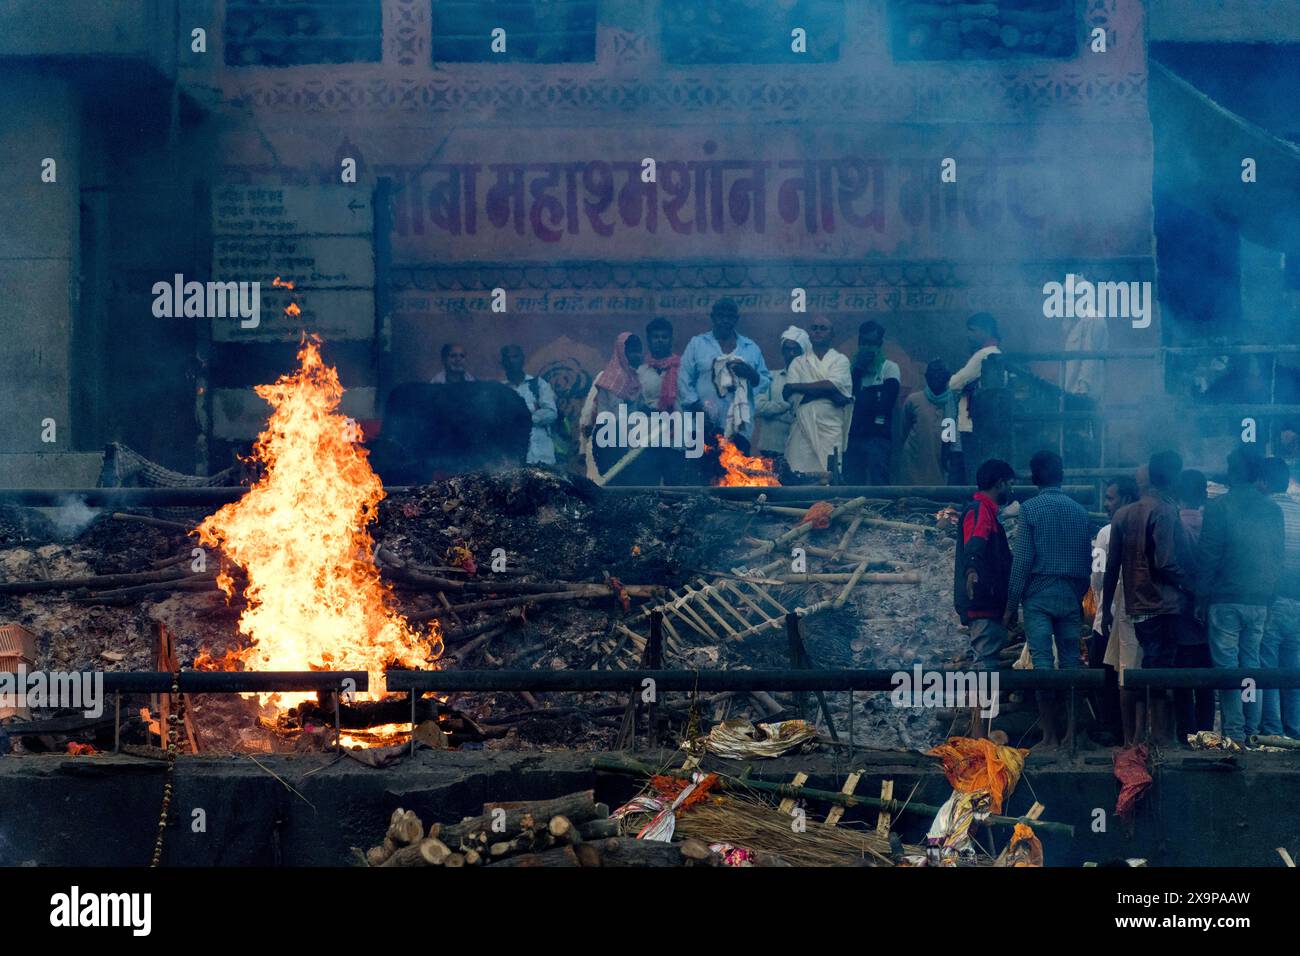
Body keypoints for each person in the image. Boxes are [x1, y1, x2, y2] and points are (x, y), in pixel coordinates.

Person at [1102, 451, 1195, 747]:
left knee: (1140, 671)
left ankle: (1139, 739)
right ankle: (1162, 738)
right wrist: (1191, 586)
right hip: (1163, 605)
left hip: (1135, 605)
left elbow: (1111, 567)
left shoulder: (1123, 514)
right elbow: (1165, 562)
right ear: (1173, 476)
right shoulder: (1165, 511)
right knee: (1162, 672)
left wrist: (1106, 611)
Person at [1004, 450, 1092, 751]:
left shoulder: (1030, 509)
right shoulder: (1080, 512)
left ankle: (1049, 737)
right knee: (1071, 665)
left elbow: (1022, 562)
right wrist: (1076, 594)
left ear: (1035, 477)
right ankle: (1071, 737)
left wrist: (1011, 605)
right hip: (1070, 595)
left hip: (1038, 598)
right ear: (1061, 475)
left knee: (1042, 664)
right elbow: (1086, 562)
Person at [1196, 447, 1284, 743]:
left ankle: (1234, 732)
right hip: (1259, 600)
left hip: (1226, 600)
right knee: (1252, 665)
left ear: (1234, 470)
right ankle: (1252, 732)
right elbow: (1277, 557)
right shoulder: (1272, 509)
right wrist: (1270, 595)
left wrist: (1201, 597)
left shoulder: (1219, 507)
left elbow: (1209, 556)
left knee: (1228, 667)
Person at [954, 459, 1016, 738]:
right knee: (985, 666)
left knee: (985, 662)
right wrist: (972, 572)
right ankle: (980, 734)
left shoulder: (988, 512)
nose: (1011, 488)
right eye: (1010, 483)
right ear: (999, 483)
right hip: (982, 602)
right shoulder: (981, 512)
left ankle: (982, 731)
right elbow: (975, 545)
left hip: (986, 601)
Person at [679, 298, 770, 458]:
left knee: (735, 479)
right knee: (699, 479)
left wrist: (750, 373)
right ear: (713, 317)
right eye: (721, 316)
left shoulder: (750, 348)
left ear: (736, 319)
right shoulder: (697, 344)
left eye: (730, 317)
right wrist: (698, 411)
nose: (725, 321)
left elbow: (764, 382)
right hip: (702, 427)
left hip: (738, 430)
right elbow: (683, 380)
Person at [1091, 475, 1139, 744]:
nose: (1106, 503)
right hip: (1135, 614)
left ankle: (1115, 732)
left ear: (1126, 499)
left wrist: (1100, 603)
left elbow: (1097, 576)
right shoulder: (1147, 524)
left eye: (1110, 498)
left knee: (1109, 680)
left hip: (1107, 615)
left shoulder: (1106, 532)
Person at [1260, 456, 1300, 739]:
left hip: (1271, 600)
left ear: (1262, 482)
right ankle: (1295, 729)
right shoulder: (1299, 511)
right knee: (1293, 670)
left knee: (1268, 669)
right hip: (1298, 600)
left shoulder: (1264, 511)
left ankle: (1273, 731)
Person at [784, 317, 853, 479]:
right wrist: (829, 391)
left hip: (831, 425)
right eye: (814, 328)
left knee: (830, 473)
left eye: (823, 328)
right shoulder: (798, 363)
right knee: (798, 473)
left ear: (832, 335)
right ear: (809, 334)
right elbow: (792, 397)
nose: (818, 331)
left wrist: (798, 387)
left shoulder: (840, 360)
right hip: (802, 425)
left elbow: (835, 387)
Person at [1174, 468, 1214, 739]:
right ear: (1203, 494)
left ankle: (1186, 734)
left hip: (1179, 608)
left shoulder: (1173, 522)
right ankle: (1206, 733)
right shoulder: (1212, 521)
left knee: (1181, 678)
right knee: (1207, 680)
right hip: (1210, 609)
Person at [578, 333, 644, 485]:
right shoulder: (609, 378)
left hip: (625, 438)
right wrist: (582, 446)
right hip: (608, 436)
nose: (636, 355)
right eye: (631, 351)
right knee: (609, 483)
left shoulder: (634, 378)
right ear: (621, 352)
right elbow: (591, 412)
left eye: (638, 351)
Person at [844, 321, 900, 484]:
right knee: (853, 481)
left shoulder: (889, 368)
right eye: (863, 343)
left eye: (872, 343)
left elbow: (886, 403)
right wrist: (859, 370)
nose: (867, 347)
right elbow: (846, 397)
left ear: (879, 344)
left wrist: (862, 400)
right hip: (853, 435)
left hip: (878, 436)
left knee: (878, 480)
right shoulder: (851, 369)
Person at [947, 313, 1002, 467]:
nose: (968, 335)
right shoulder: (996, 352)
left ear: (987, 330)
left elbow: (954, 384)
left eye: (973, 330)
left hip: (974, 421)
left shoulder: (984, 354)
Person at [636, 317, 685, 486]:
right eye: (655, 337)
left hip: (676, 435)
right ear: (649, 340)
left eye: (664, 337)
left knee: (675, 485)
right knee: (648, 484)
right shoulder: (641, 372)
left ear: (671, 340)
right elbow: (637, 402)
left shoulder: (683, 369)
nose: (660, 340)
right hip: (648, 435)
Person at [754, 327, 809, 472]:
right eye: (787, 349)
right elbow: (757, 407)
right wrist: (784, 406)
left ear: (803, 352)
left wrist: (775, 413)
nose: (791, 354)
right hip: (770, 450)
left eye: (795, 350)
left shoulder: (811, 382)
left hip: (801, 451)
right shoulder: (771, 377)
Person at [900, 360, 958, 486]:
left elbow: (951, 435)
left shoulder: (952, 401)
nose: (937, 376)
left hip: (940, 458)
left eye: (941, 372)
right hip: (915, 457)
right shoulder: (913, 400)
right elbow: (904, 428)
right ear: (926, 377)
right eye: (933, 373)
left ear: (948, 377)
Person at [500, 344, 558, 467]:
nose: (511, 361)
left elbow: (551, 413)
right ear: (502, 363)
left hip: (541, 457)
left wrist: (524, 419)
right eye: (507, 358)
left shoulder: (538, 385)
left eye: (515, 356)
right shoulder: (500, 390)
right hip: (513, 460)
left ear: (522, 359)